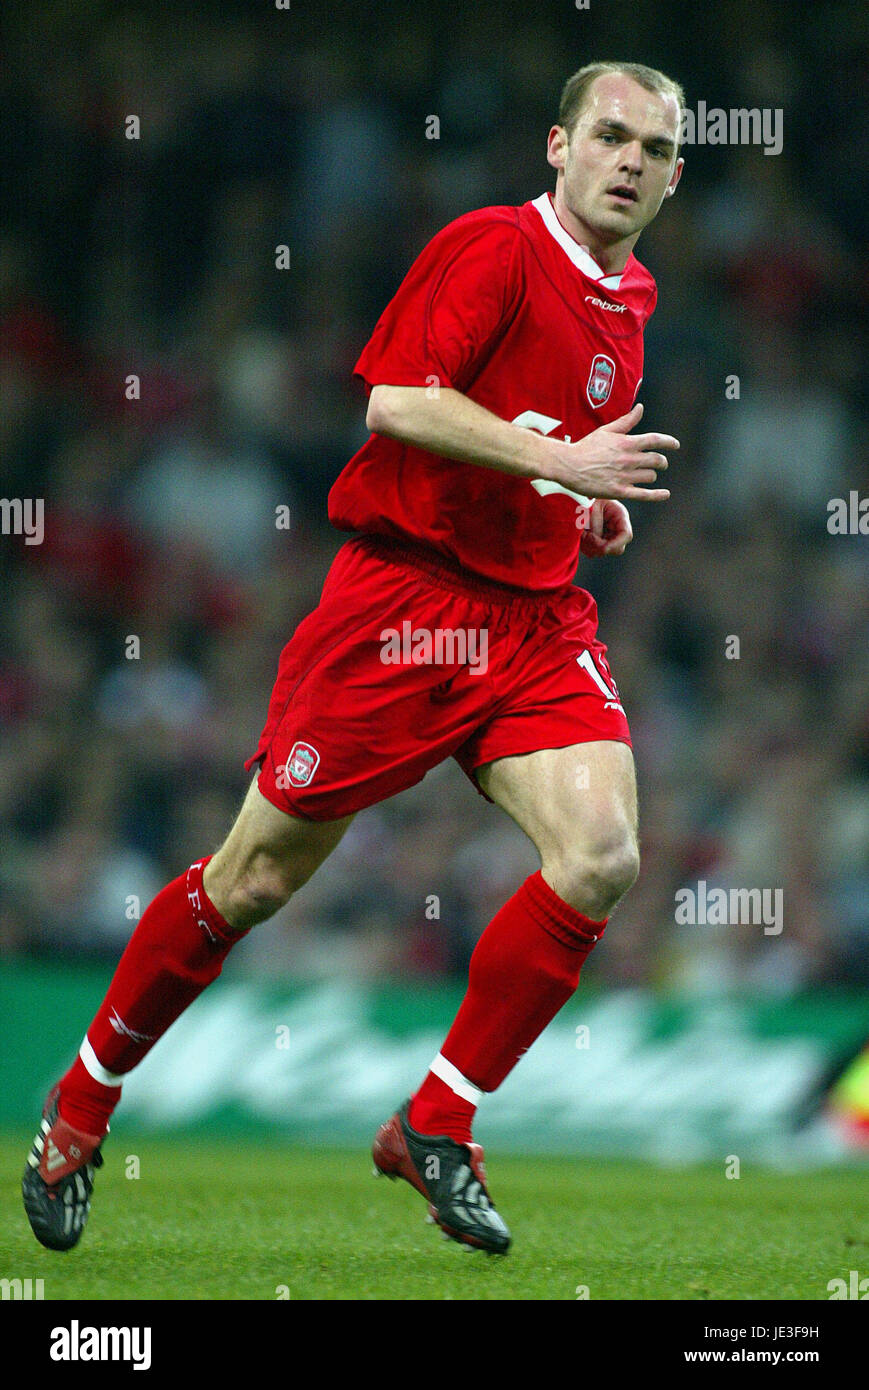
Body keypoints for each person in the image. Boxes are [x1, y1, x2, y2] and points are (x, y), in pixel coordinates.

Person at [23, 60, 684, 1256]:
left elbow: (541, 439)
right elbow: (395, 403)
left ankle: (434, 1123)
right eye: (610, 135)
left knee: (602, 855)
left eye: (654, 147)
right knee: (252, 883)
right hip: (402, 608)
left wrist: (578, 499)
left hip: (533, 622)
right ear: (558, 145)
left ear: (674, 175)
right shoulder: (489, 248)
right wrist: (569, 467)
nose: (629, 160)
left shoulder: (632, 292)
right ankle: (79, 1102)